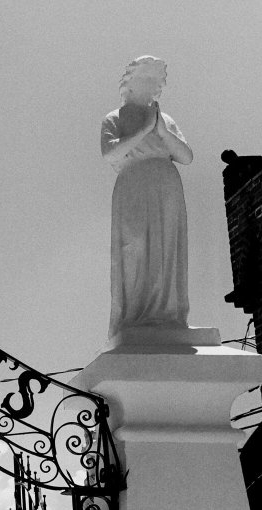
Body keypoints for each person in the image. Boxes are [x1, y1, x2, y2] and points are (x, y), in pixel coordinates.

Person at [101, 56, 193, 338]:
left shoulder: (165, 120)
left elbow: (186, 157)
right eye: (146, 80)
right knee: (134, 248)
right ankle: (134, 316)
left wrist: (163, 132)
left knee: (166, 249)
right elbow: (110, 153)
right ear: (131, 82)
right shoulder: (115, 118)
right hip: (134, 185)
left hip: (166, 186)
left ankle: (167, 315)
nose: (151, 86)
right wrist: (142, 132)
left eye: (155, 82)